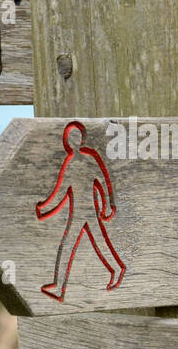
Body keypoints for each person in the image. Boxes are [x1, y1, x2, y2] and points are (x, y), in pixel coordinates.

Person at [36, 121, 126, 301]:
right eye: (72, 138)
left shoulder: (87, 160)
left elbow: (101, 181)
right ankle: (60, 286)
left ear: (80, 140)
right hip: (80, 212)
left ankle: (61, 286)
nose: (74, 141)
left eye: (76, 137)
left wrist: (108, 206)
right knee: (76, 245)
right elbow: (62, 191)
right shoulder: (72, 162)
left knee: (74, 245)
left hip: (87, 211)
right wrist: (44, 208)